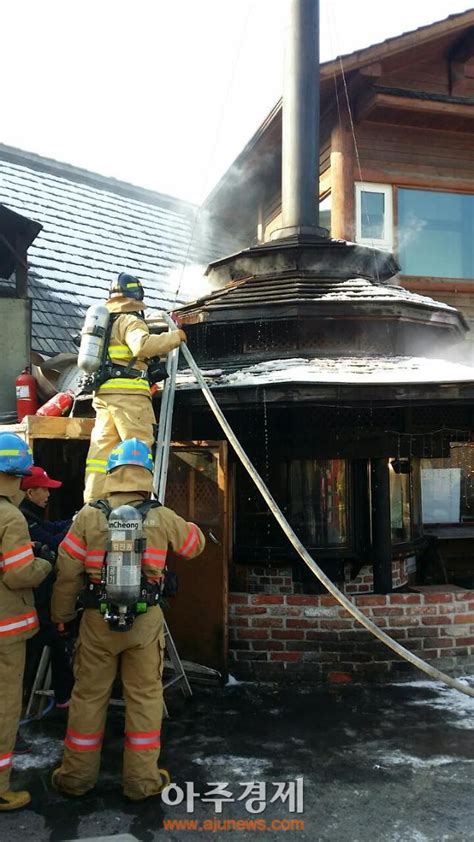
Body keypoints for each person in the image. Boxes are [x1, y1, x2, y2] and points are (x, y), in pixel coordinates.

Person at [51, 438, 205, 800]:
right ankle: (141, 782)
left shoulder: (90, 515)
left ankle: (75, 779)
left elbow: (66, 569)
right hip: (145, 621)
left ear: (112, 473)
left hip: (96, 620)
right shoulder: (161, 515)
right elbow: (192, 547)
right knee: (145, 698)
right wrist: (191, 528)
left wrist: (60, 616)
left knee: (88, 697)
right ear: (146, 473)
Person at [83, 272, 186, 502]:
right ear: (136, 296)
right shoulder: (130, 320)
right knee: (136, 449)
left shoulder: (107, 322)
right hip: (129, 396)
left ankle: (93, 505)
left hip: (104, 395)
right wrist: (175, 336)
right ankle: (136, 504)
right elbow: (142, 346)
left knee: (101, 452)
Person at [0, 433, 52, 811]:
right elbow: (19, 575)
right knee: (4, 708)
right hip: (5, 632)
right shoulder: (10, 516)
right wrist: (45, 562)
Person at [20, 466, 74, 710]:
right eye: (45, 489)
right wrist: (77, 526)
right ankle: (62, 697)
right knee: (50, 642)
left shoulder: (31, 516)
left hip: (36, 598)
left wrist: (74, 521)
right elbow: (52, 541)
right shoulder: (21, 519)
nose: (49, 494)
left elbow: (50, 529)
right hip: (30, 600)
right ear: (30, 492)